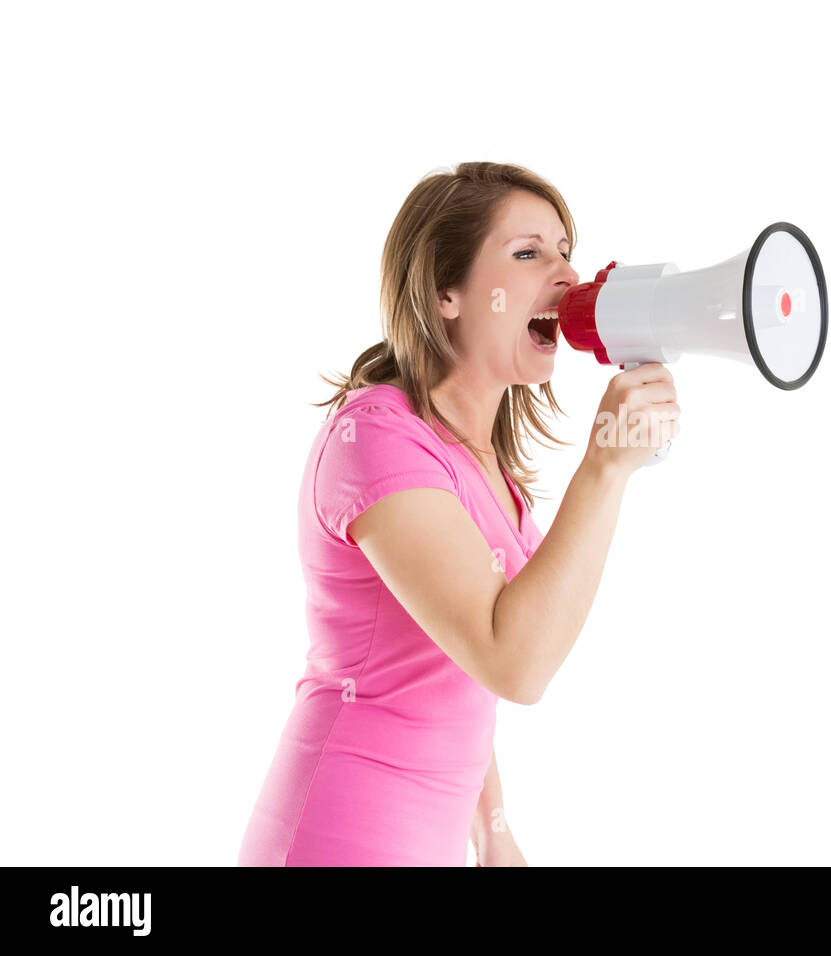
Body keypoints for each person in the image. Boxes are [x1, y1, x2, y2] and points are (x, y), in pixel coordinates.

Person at [236, 162, 680, 866]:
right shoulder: (375, 438)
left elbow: (461, 664)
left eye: (567, 251)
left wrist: (494, 834)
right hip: (338, 837)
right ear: (446, 291)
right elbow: (515, 662)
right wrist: (606, 466)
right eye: (529, 252)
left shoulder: (488, 471)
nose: (566, 275)